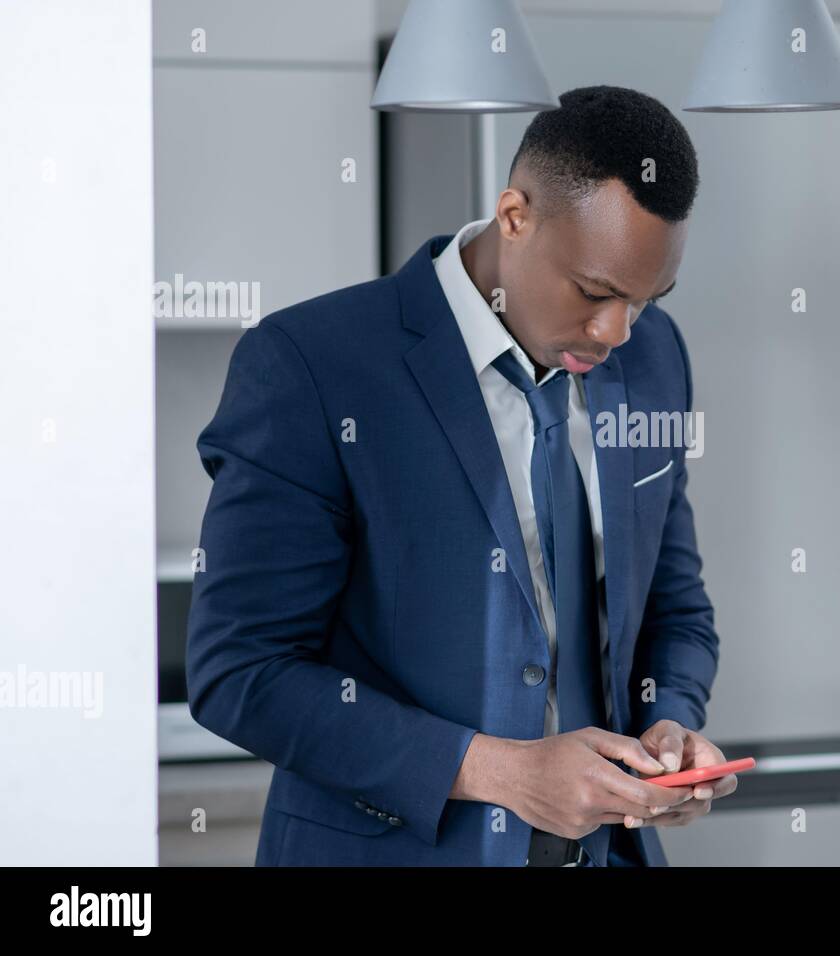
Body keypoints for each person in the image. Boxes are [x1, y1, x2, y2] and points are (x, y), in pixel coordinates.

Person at [185, 85, 734, 866]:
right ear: (515, 216)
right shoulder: (314, 364)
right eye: (596, 292)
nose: (617, 332)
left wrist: (669, 725)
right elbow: (242, 673)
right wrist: (501, 772)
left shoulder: (656, 358)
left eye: (646, 301)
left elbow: (674, 608)